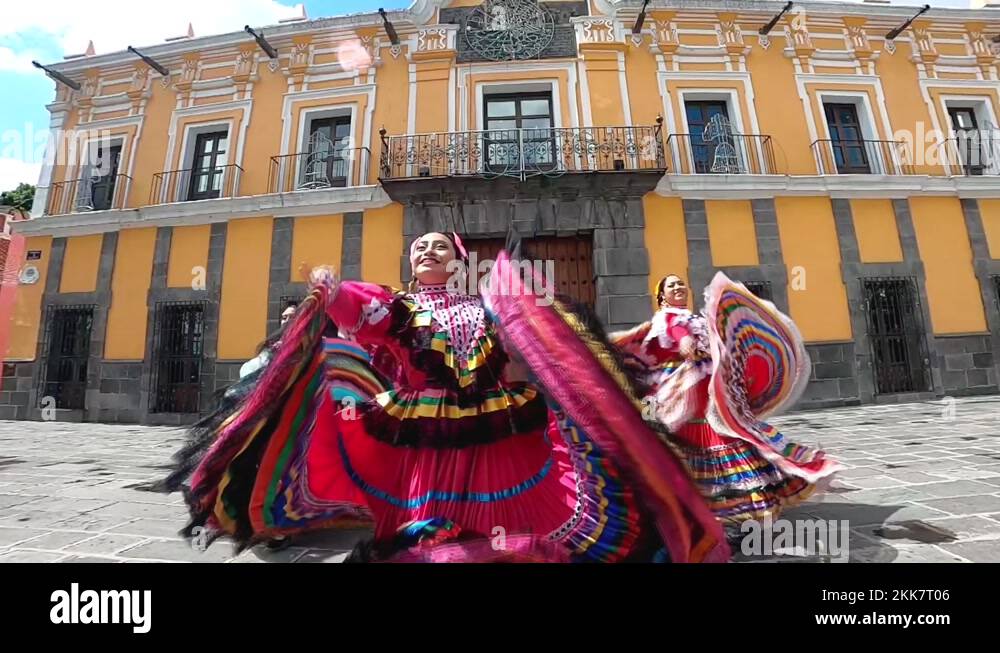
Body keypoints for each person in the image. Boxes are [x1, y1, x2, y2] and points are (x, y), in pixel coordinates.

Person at [160, 232, 729, 563]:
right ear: (411, 261)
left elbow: (527, 341)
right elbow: (355, 307)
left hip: (497, 419)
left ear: (458, 261)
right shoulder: (397, 306)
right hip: (424, 425)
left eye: (439, 247)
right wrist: (330, 290)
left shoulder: (483, 304)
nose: (429, 252)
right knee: (426, 522)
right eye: (420, 247)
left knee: (517, 512)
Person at [612, 273, 842, 535]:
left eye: (680, 283)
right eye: (671, 285)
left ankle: (721, 512)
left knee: (726, 438)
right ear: (661, 295)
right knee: (707, 443)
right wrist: (688, 343)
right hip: (689, 395)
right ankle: (709, 512)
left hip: (709, 391)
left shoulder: (695, 318)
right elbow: (681, 340)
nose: (678, 287)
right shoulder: (668, 319)